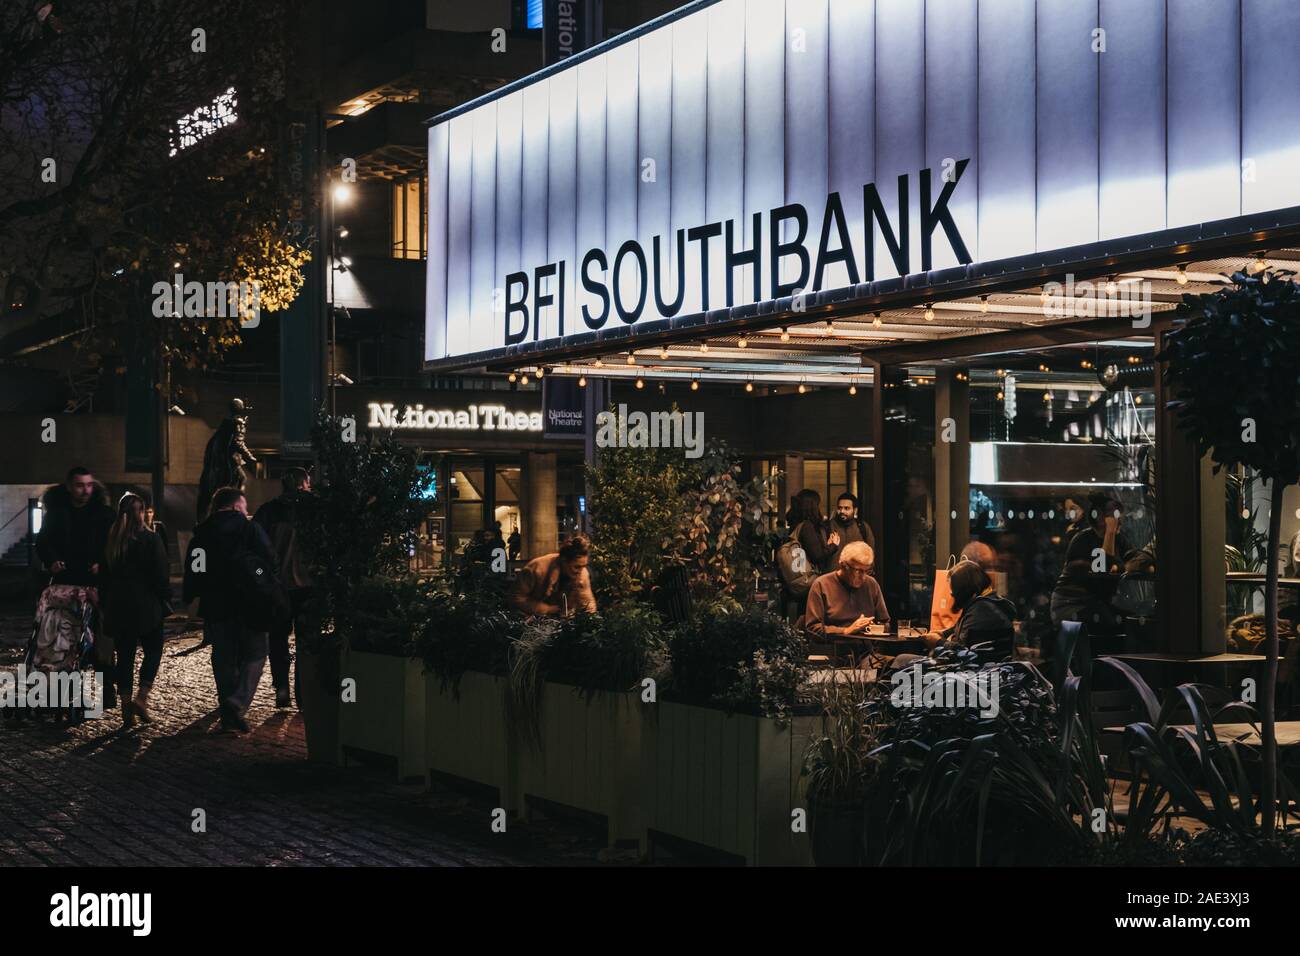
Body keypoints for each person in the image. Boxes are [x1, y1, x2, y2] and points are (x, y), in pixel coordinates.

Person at [183, 487, 275, 733]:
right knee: (256, 654)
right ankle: (237, 702)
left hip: (217, 605)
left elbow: (196, 570)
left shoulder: (202, 534)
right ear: (236, 507)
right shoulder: (250, 529)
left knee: (223, 657)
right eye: (244, 507)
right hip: (250, 603)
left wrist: (193, 594)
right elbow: (268, 560)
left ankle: (227, 707)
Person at [36, 466, 116, 707]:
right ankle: (65, 690)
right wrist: (51, 562)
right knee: (64, 639)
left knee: (102, 639)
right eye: (80, 485)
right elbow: (43, 541)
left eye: (89, 485)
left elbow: (115, 544)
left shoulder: (104, 514)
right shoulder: (57, 514)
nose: (85, 490)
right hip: (64, 584)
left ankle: (106, 690)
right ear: (70, 487)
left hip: (95, 585)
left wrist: (103, 564)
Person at [101, 493, 171, 729]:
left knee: (125, 657)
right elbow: (161, 575)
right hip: (147, 606)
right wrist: (166, 597)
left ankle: (125, 707)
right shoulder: (150, 540)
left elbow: (105, 577)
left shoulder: (112, 540)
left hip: (119, 606)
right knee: (154, 650)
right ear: (141, 512)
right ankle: (142, 697)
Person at [253, 468, 317, 709]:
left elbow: (254, 552)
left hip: (277, 587)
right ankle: (303, 695)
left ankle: (281, 689)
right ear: (304, 484)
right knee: (306, 643)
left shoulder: (267, 511)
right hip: (308, 588)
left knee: (278, 640)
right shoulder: (314, 510)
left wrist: (261, 577)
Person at [1050, 492, 1130, 633]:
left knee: (1129, 620)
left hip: (1094, 603)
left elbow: (1131, 558)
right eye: (1115, 516)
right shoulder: (1082, 540)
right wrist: (1109, 532)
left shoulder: (1120, 540)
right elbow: (1102, 572)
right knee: (1111, 624)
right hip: (1071, 606)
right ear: (1100, 517)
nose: (1119, 522)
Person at [924, 560, 1017, 658]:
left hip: (973, 671)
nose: (952, 594)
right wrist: (944, 633)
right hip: (983, 668)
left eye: (954, 592)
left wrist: (938, 642)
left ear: (965, 591)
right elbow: (968, 627)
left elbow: (965, 654)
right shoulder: (989, 601)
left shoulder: (982, 611)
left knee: (908, 661)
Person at [802, 541, 890, 640]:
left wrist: (873, 627)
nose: (863, 577)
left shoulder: (871, 584)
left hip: (867, 651)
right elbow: (812, 629)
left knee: (906, 656)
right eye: (858, 571)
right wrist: (846, 630)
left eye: (867, 571)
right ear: (844, 566)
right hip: (833, 651)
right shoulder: (822, 585)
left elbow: (884, 623)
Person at [511, 533, 597, 617]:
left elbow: (588, 603)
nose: (581, 571)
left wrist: (591, 622)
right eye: (576, 567)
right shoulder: (536, 569)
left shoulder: (582, 573)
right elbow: (516, 597)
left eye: (584, 566)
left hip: (562, 619)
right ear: (564, 560)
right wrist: (547, 609)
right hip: (530, 619)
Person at [787, 489, 838, 574]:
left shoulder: (796, 524)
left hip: (796, 573)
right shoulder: (807, 526)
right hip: (807, 576)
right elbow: (817, 555)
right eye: (818, 505)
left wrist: (827, 545)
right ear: (813, 506)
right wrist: (834, 545)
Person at [827, 492, 876, 570]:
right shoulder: (828, 527)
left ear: (855, 510)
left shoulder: (862, 527)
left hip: (857, 576)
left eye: (846, 508)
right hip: (833, 577)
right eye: (839, 508)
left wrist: (867, 572)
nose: (842, 511)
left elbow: (870, 552)